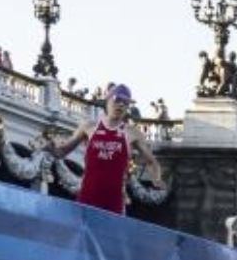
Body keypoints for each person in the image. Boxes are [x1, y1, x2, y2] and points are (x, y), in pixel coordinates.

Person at [45, 83, 163, 214]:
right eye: (117, 100)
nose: (121, 105)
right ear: (108, 101)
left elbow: (152, 162)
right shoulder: (89, 127)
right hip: (87, 198)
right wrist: (50, 148)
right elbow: (61, 152)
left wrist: (156, 178)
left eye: (126, 103)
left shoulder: (132, 133)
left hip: (113, 203)